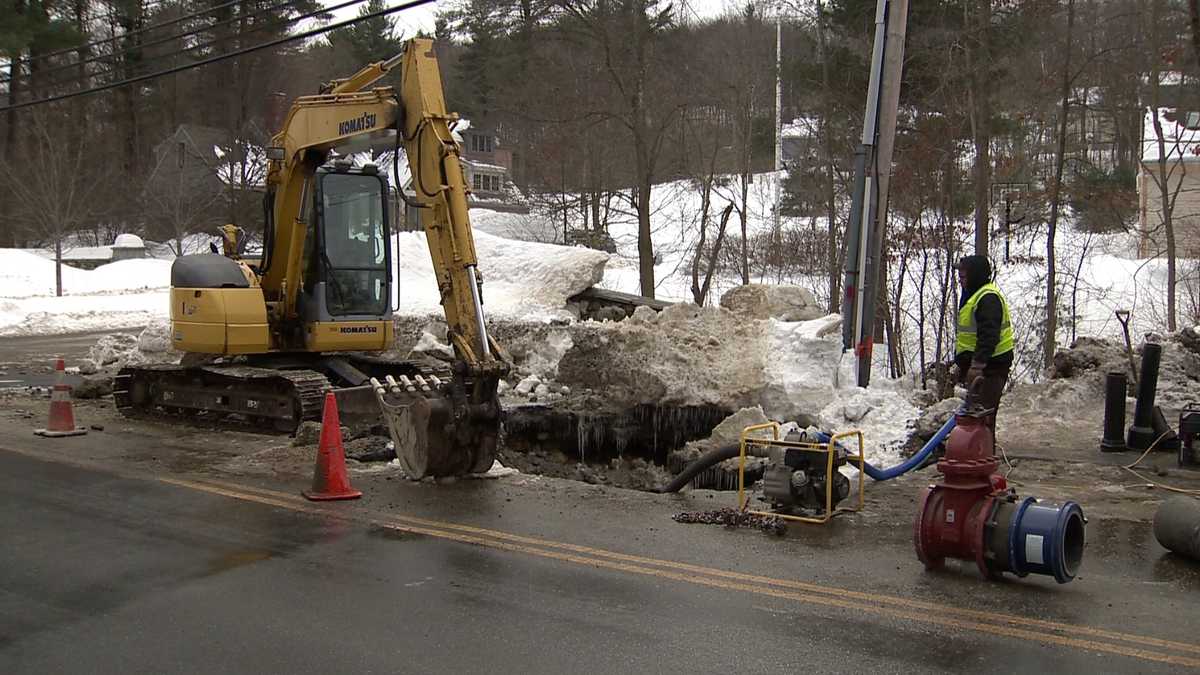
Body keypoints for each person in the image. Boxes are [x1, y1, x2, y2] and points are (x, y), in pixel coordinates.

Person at [953, 255, 1013, 442]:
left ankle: (983, 460)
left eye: (964, 277)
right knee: (974, 416)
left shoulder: (988, 298)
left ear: (975, 275)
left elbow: (989, 335)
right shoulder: (973, 294)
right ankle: (976, 457)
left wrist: (977, 365)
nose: (960, 281)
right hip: (979, 367)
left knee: (983, 418)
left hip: (991, 368)